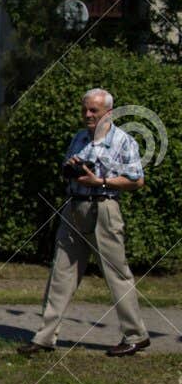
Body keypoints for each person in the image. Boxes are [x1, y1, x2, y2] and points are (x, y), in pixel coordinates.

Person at [19, 87, 150, 358]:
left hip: (103, 208)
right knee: (61, 273)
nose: (88, 115)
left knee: (116, 274)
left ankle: (136, 336)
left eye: (94, 110)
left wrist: (99, 180)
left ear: (108, 113)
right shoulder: (79, 137)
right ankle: (44, 337)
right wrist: (73, 167)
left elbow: (137, 180)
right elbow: (67, 169)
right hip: (74, 208)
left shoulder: (124, 141)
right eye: (85, 110)